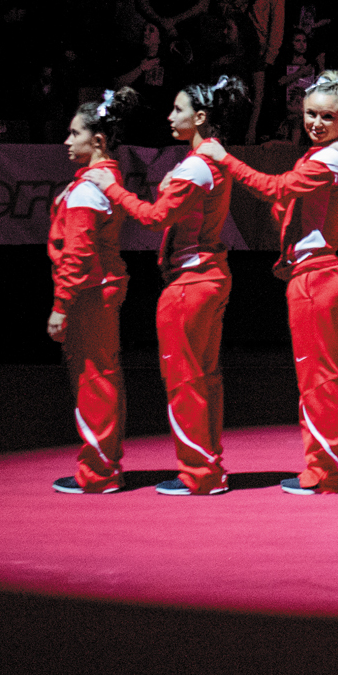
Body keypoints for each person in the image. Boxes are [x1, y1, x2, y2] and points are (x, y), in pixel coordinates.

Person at [202, 72, 338, 494]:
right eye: (311, 114)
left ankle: (325, 472)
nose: (316, 123)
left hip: (316, 276)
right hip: (310, 274)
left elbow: (272, 187)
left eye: (328, 116)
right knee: (315, 380)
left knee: (318, 381)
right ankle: (324, 468)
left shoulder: (329, 158)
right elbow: (284, 200)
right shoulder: (318, 155)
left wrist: (225, 159)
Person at [98, 77, 248, 496]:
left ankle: (199, 474)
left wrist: (112, 188)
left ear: (200, 118)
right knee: (206, 377)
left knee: (186, 381)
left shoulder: (197, 166)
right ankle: (208, 468)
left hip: (190, 281)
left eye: (177, 109)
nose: (169, 116)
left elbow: (152, 218)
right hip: (209, 275)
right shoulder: (208, 162)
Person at [46, 89, 137, 493]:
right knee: (103, 377)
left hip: (88, 294)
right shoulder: (106, 178)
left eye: (73, 134)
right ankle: (104, 466)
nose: (66, 142)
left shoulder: (88, 189)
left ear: (97, 140)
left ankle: (98, 473)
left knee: (93, 380)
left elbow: (77, 255)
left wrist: (61, 306)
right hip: (101, 289)